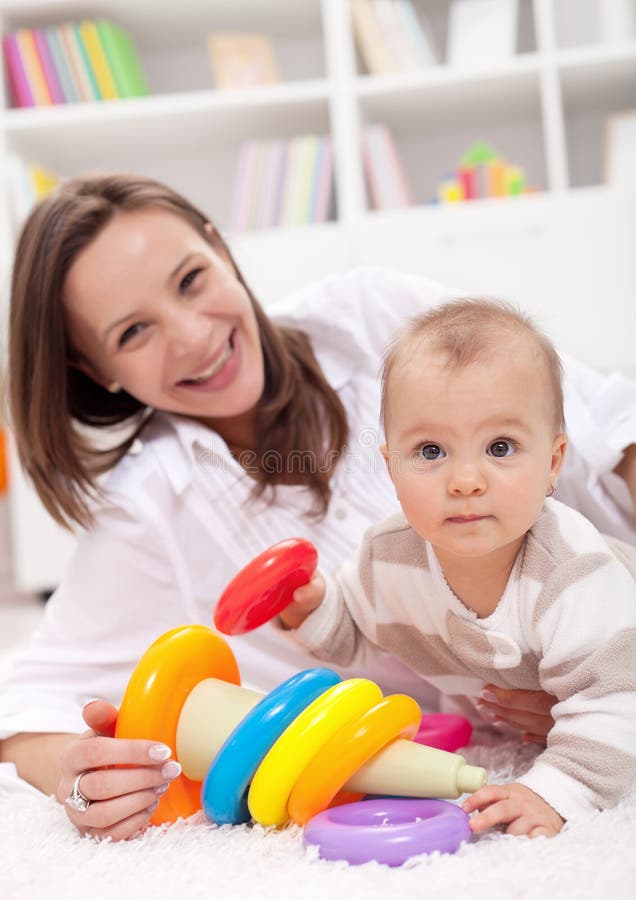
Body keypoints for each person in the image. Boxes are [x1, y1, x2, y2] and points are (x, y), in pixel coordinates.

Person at [0, 174, 634, 843]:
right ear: (96, 368)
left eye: (190, 280)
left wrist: (600, 689)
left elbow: (608, 427)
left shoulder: (370, 318)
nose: (193, 336)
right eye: (133, 332)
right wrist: (80, 776)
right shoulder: (151, 505)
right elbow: (23, 709)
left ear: (220, 248)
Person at [278, 298, 636, 839]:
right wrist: (308, 607)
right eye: (430, 451)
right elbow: (350, 626)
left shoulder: (573, 573)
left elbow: (615, 697)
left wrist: (558, 789)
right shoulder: (388, 558)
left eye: (500, 447)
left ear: (553, 463)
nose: (466, 480)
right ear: (391, 468)